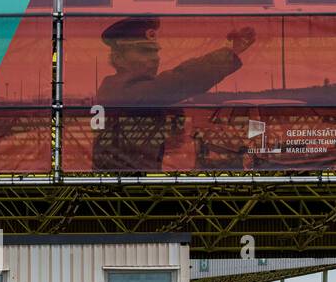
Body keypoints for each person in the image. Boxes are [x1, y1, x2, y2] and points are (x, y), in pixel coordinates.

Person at [92, 18, 256, 172]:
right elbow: (180, 81)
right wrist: (229, 52)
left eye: (155, 52)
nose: (155, 59)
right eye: (144, 51)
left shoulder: (128, 90)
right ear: (118, 58)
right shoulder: (122, 90)